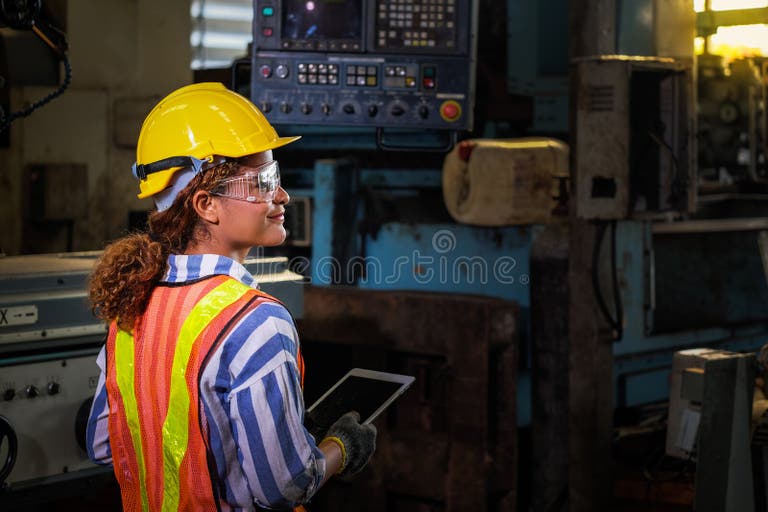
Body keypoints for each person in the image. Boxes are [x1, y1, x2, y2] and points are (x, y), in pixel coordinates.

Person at [85, 82, 377, 511]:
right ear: (206, 205)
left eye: (275, 177)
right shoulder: (255, 322)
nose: (281, 196)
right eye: (262, 181)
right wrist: (340, 447)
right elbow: (286, 485)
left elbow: (105, 444)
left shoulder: (133, 306)